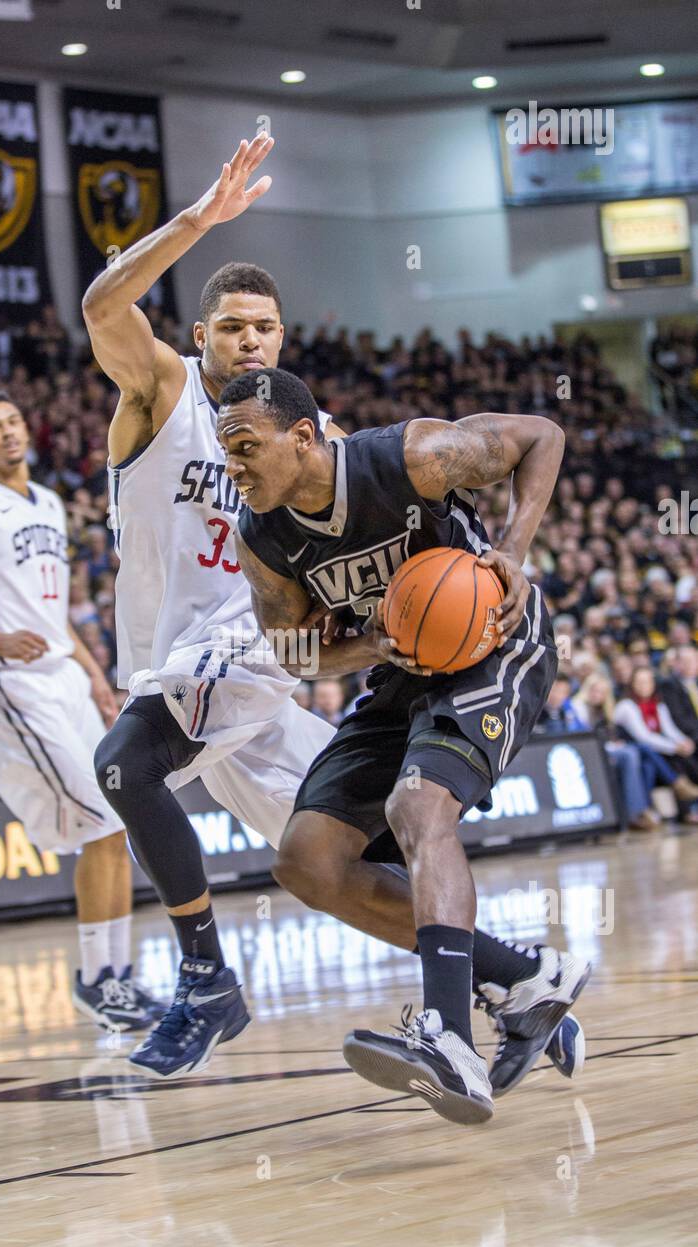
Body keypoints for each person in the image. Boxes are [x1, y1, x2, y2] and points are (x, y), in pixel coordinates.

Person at [225, 366, 591, 1126]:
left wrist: (514, 551)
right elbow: (293, 652)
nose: (234, 466)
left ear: (301, 436)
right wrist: (368, 648)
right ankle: (525, 979)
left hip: (493, 645)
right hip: (399, 674)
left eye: (245, 446)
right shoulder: (262, 536)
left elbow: (541, 436)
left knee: (418, 806)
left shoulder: (407, 458)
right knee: (306, 859)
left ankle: (450, 1039)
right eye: (226, 451)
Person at [83, 133, 339, 1078]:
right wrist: (199, 220)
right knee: (334, 859)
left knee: (124, 766)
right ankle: (511, 979)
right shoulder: (162, 391)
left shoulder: (307, 437)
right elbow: (103, 305)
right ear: (200, 337)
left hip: (245, 658)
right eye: (233, 326)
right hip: (176, 659)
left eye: (266, 328)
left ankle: (205, 980)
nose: (251, 341)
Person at [0, 390, 158, 1034]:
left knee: (114, 827)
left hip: (66, 679)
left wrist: (98, 677)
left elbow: (54, 613)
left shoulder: (47, 501)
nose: (8, 433)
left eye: (14, 421)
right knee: (102, 822)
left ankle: (116, 978)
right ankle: (98, 981)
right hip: (13, 684)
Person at [571, 671, 659, 830]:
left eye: (602, 692)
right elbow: (584, 738)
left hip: (605, 750)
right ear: (587, 689)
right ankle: (635, 812)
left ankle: (640, 810)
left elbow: (609, 736)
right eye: (595, 690)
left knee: (646, 764)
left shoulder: (605, 711)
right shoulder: (578, 707)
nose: (598, 695)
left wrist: (613, 745)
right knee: (630, 754)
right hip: (587, 753)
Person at [613, 666, 698, 823]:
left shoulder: (657, 704)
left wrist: (684, 742)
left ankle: (684, 807)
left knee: (675, 760)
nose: (644, 686)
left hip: (652, 754)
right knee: (658, 759)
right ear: (632, 684)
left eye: (647, 681)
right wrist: (674, 747)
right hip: (633, 751)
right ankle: (678, 788)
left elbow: (669, 730)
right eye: (640, 682)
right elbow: (644, 737)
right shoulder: (626, 706)